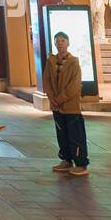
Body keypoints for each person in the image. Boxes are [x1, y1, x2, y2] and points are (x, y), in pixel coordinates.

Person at [42, 31, 89, 176]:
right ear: (55, 43)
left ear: (68, 43)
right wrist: (52, 98)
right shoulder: (50, 61)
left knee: (76, 135)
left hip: (71, 106)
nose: (60, 43)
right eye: (58, 41)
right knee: (61, 134)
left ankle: (81, 163)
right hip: (56, 106)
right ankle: (66, 160)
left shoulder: (74, 62)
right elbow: (47, 81)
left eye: (63, 40)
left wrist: (60, 98)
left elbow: (75, 85)